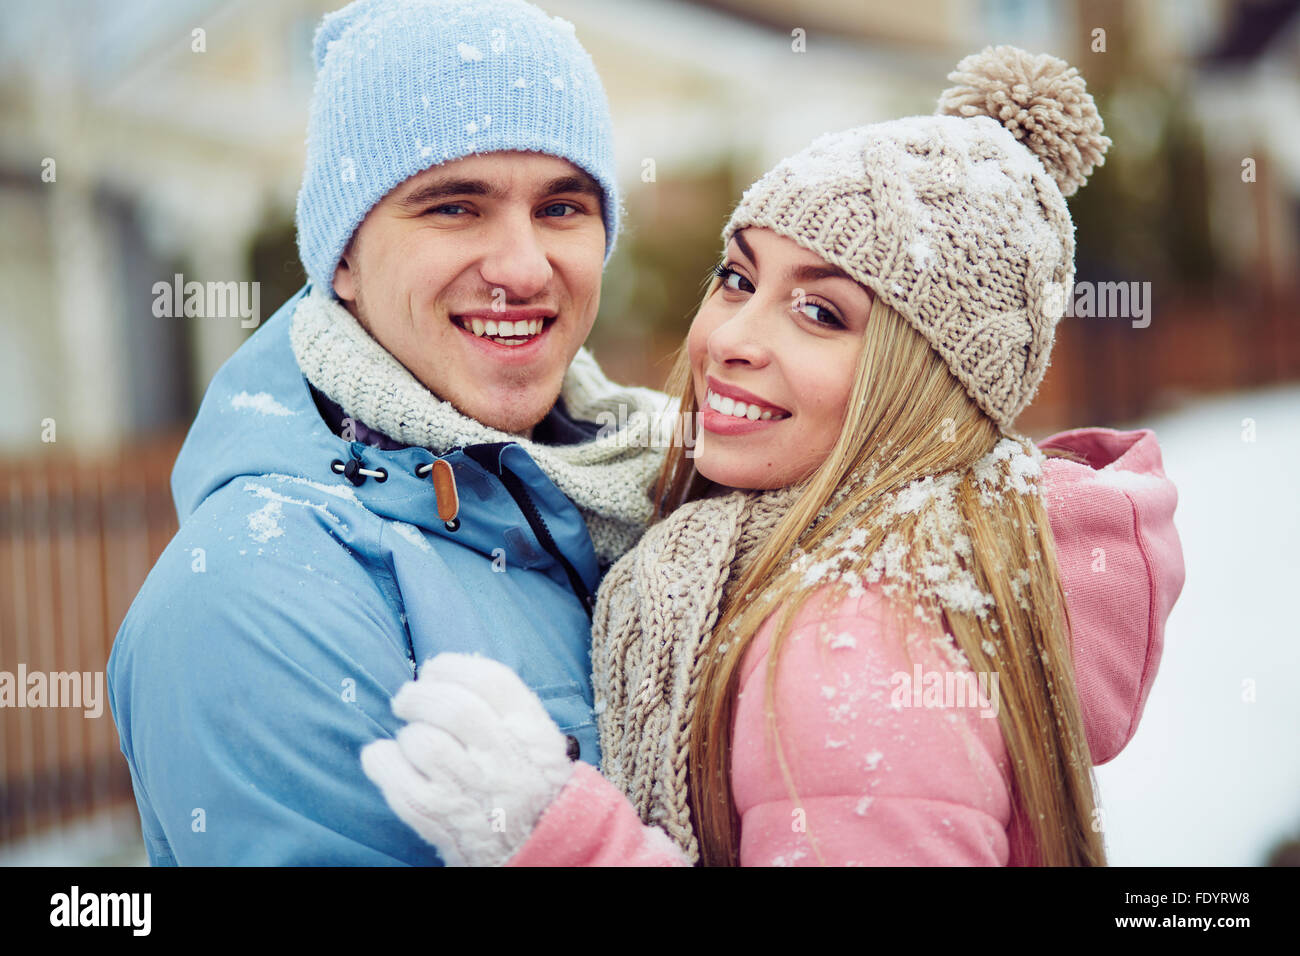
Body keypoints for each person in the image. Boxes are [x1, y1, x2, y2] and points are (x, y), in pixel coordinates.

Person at [361, 46, 1186, 866]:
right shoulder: (895, 569)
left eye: (822, 314)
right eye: (738, 278)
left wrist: (561, 840)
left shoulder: (854, 640)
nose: (732, 339)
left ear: (926, 385)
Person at [106, 0, 673, 865]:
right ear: (341, 257)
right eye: (454, 207)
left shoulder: (633, 491)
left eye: (562, 208)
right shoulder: (252, 593)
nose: (523, 266)